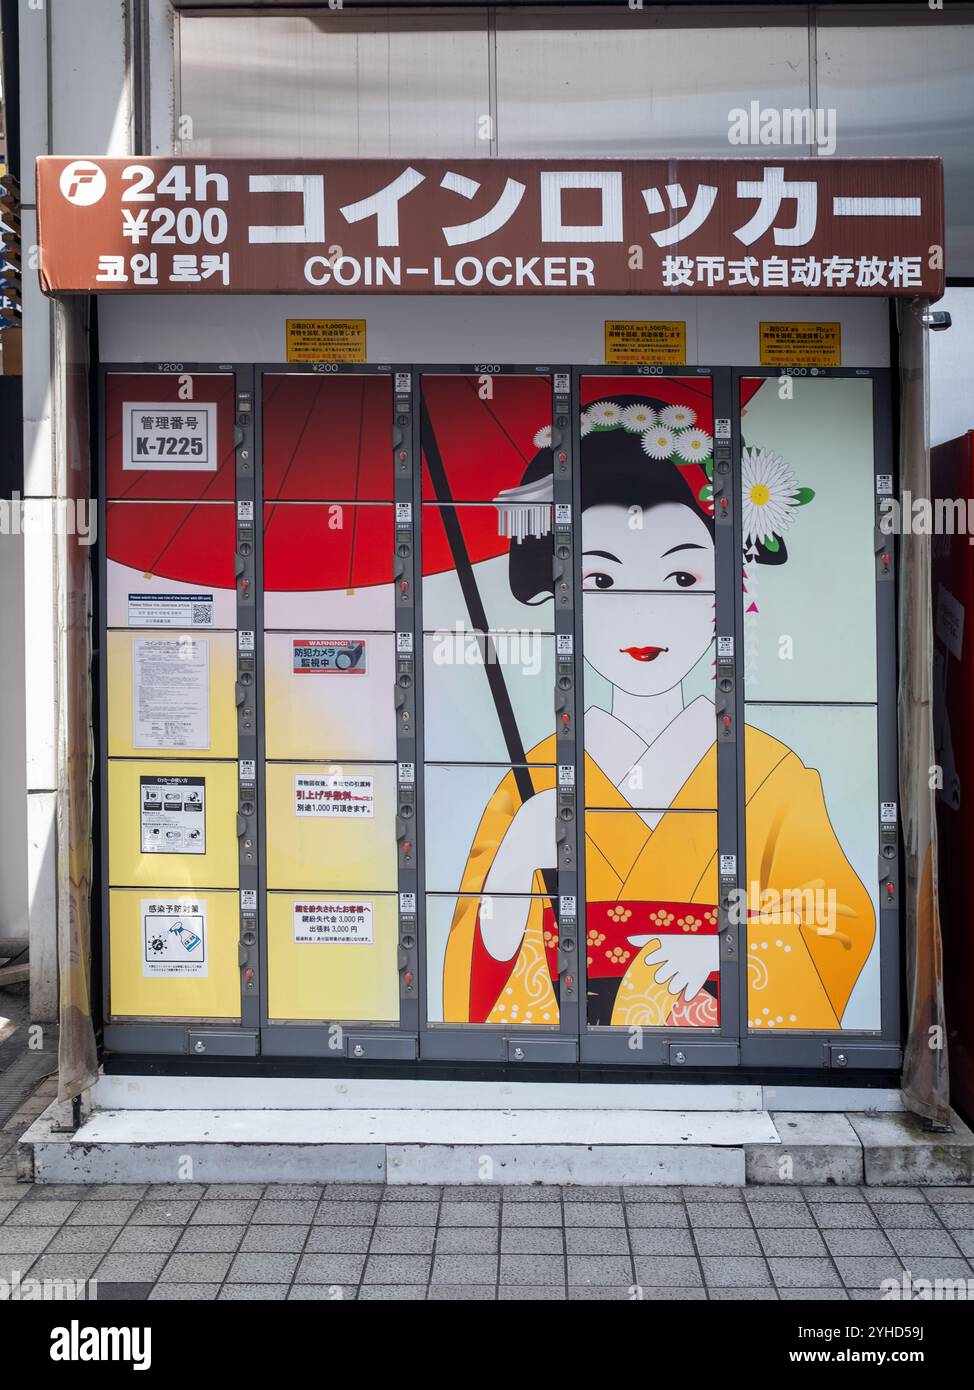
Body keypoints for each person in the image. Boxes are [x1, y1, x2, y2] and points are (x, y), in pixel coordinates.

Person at [442, 395, 875, 1031]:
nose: (643, 614)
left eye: (680, 579)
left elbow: (837, 923)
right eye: (601, 582)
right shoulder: (530, 782)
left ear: (725, 591)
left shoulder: (771, 778)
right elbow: (467, 983)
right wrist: (514, 862)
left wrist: (724, 951)